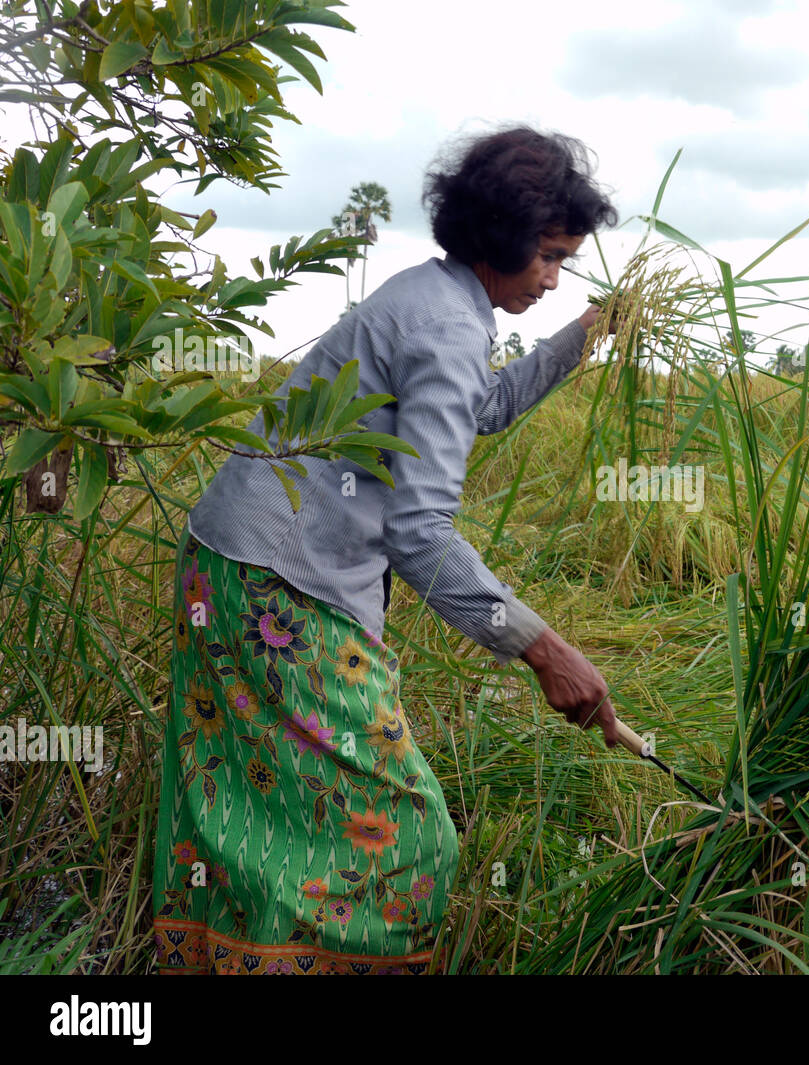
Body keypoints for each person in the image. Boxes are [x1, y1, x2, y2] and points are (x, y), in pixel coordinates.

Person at [152, 126, 620, 975]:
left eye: (566, 262)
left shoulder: (434, 299)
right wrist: (544, 650)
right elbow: (420, 533)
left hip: (226, 565)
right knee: (405, 835)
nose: (553, 279)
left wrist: (582, 335)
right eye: (549, 257)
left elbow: (476, 407)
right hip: (278, 590)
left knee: (258, 806)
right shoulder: (446, 324)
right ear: (502, 237)